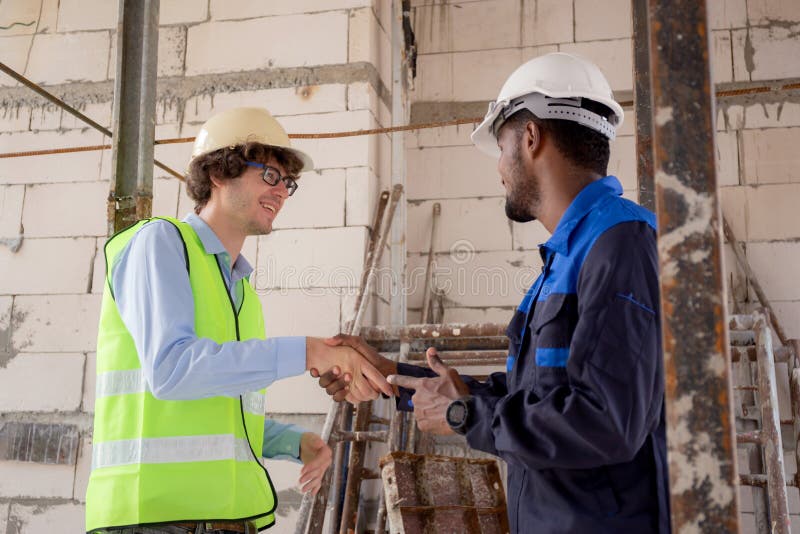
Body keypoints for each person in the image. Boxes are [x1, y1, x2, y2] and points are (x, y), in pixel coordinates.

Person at [315, 53, 669, 533]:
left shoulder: (621, 242)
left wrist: (463, 414)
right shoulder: (571, 253)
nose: (499, 169)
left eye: (501, 148)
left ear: (530, 137)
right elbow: (536, 397)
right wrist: (393, 376)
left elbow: (608, 422)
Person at [85, 107, 392, 534]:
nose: (282, 191)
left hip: (224, 520)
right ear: (218, 172)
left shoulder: (242, 291)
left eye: (288, 182)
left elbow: (216, 414)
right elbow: (172, 372)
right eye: (269, 174)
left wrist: (292, 441)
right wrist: (309, 350)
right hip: (152, 519)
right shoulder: (161, 242)